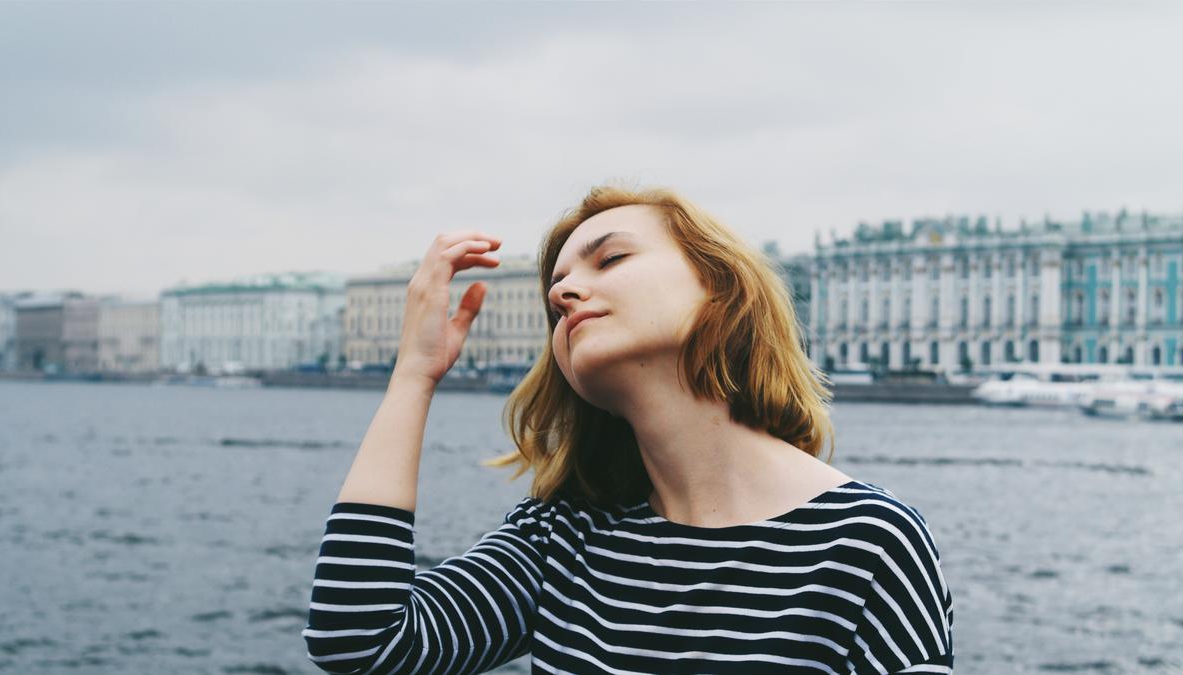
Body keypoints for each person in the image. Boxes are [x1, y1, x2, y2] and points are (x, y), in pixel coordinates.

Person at [303, 185, 954, 674]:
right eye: (556, 288)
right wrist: (414, 374)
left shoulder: (870, 542)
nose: (562, 293)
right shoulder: (564, 534)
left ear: (719, 287)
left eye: (609, 258)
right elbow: (361, 644)